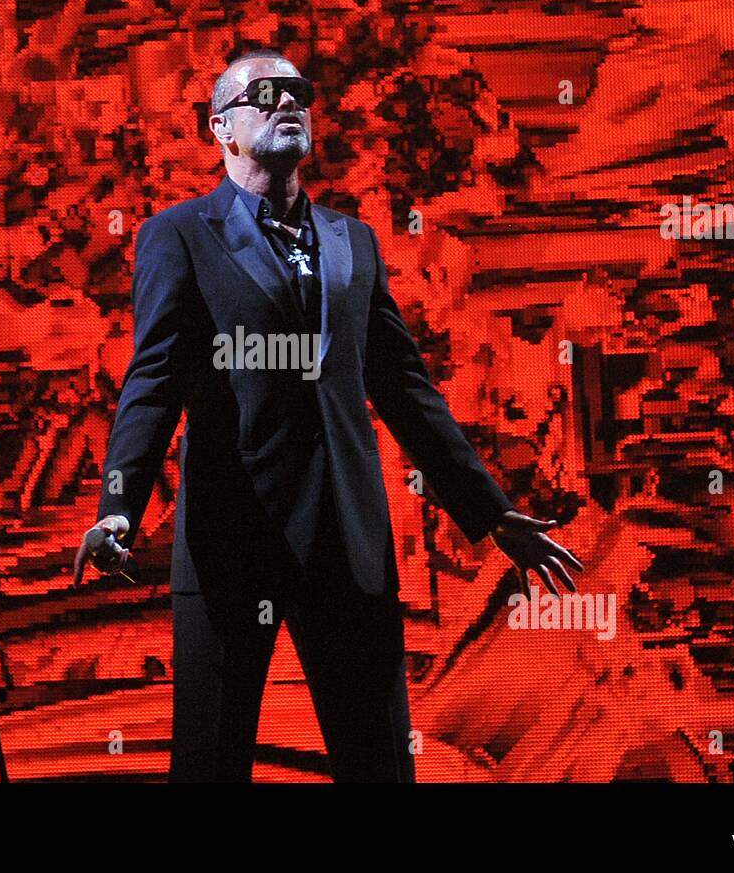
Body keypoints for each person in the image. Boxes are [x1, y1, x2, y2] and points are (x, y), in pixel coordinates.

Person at [74, 48, 582, 782]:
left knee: (377, 764)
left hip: (348, 542)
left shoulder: (355, 241)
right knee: (212, 766)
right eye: (265, 95)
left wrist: (491, 513)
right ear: (221, 128)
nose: (288, 103)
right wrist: (120, 506)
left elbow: (404, 387)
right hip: (230, 540)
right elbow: (153, 380)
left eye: (298, 93)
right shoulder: (178, 236)